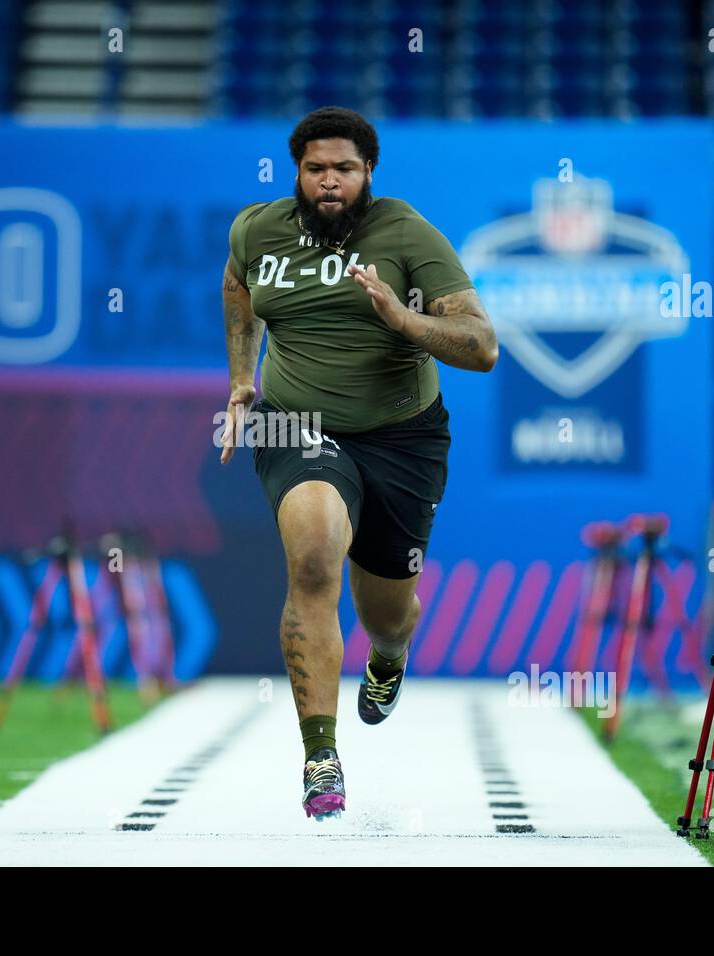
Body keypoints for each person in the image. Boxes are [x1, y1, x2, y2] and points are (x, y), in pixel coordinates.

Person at [218, 107, 498, 819]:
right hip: (296, 422)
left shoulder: (406, 233)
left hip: (401, 435)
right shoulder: (258, 228)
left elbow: (482, 345)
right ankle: (320, 756)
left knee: (388, 613)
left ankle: (390, 658)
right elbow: (239, 286)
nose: (330, 181)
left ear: (369, 170)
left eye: (344, 167)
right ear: (298, 173)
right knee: (313, 558)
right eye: (316, 169)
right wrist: (242, 379)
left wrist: (405, 322)